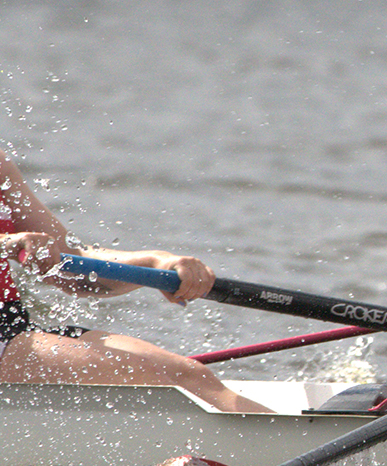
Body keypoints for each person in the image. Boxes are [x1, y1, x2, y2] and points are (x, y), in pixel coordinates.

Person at [0, 152, 270, 413]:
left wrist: (155, 262)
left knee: (190, 375)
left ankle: (277, 434)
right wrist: (10, 243)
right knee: (153, 378)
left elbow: (73, 264)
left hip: (11, 326)